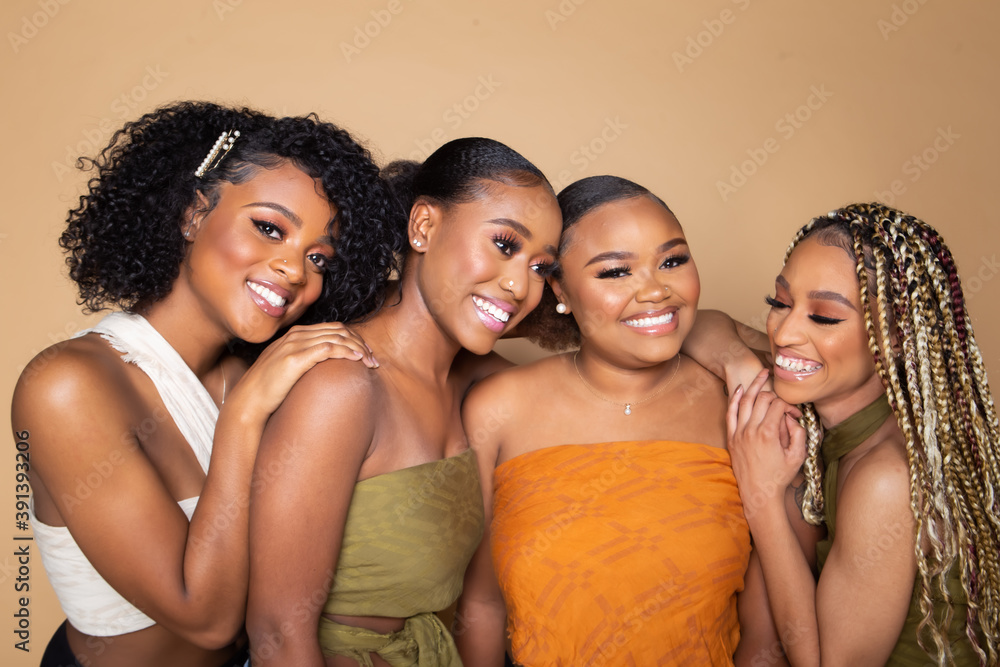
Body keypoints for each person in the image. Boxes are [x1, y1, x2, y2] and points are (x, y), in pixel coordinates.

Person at [11, 101, 402, 667]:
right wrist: (243, 417)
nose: (295, 271)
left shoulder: (263, 374)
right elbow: (208, 620)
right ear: (194, 214)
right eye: (269, 228)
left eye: (318, 257)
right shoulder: (66, 387)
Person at [454, 175, 808, 666]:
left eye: (672, 261)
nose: (655, 291)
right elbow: (481, 605)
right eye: (616, 272)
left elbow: (764, 638)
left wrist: (738, 363)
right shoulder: (498, 409)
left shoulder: (748, 408)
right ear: (559, 288)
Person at [245, 137, 563, 667]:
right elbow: (278, 634)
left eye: (541, 267)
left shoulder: (477, 384)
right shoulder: (343, 387)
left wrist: (716, 337)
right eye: (506, 245)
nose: (519, 285)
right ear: (423, 227)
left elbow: (611, 349)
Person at [725, 202, 1000, 665]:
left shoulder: (885, 480)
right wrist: (740, 366)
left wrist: (762, 497)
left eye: (825, 318)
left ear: (893, 336)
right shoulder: (844, 411)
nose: (784, 331)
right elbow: (705, 325)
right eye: (780, 302)